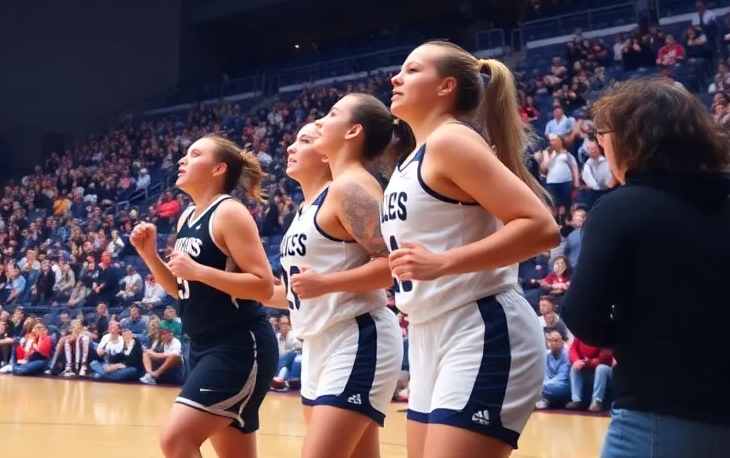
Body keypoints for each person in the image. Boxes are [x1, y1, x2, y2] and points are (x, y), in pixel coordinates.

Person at [383, 42, 559, 458]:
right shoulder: (412, 159)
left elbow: (541, 227)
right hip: (429, 333)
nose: (395, 78)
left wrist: (444, 262)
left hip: (481, 325)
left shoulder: (451, 140)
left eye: (411, 70)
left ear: (445, 87)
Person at [561, 77, 730, 457]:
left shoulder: (620, 208)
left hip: (656, 414)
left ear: (631, 139)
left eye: (604, 134)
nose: (601, 144)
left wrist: (638, 334)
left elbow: (582, 315)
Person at [130, 135, 279, 458]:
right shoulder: (187, 216)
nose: (182, 160)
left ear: (218, 169)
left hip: (238, 345)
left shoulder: (229, 212)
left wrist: (200, 272)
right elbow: (178, 288)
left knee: (175, 439)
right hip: (200, 345)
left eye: (194, 154)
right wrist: (150, 256)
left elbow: (263, 285)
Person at [284, 99, 404, 458]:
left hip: (357, 334)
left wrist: (326, 284)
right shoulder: (308, 207)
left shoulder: (349, 189)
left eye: (331, 116)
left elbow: (394, 262)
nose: (319, 124)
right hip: (321, 338)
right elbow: (300, 288)